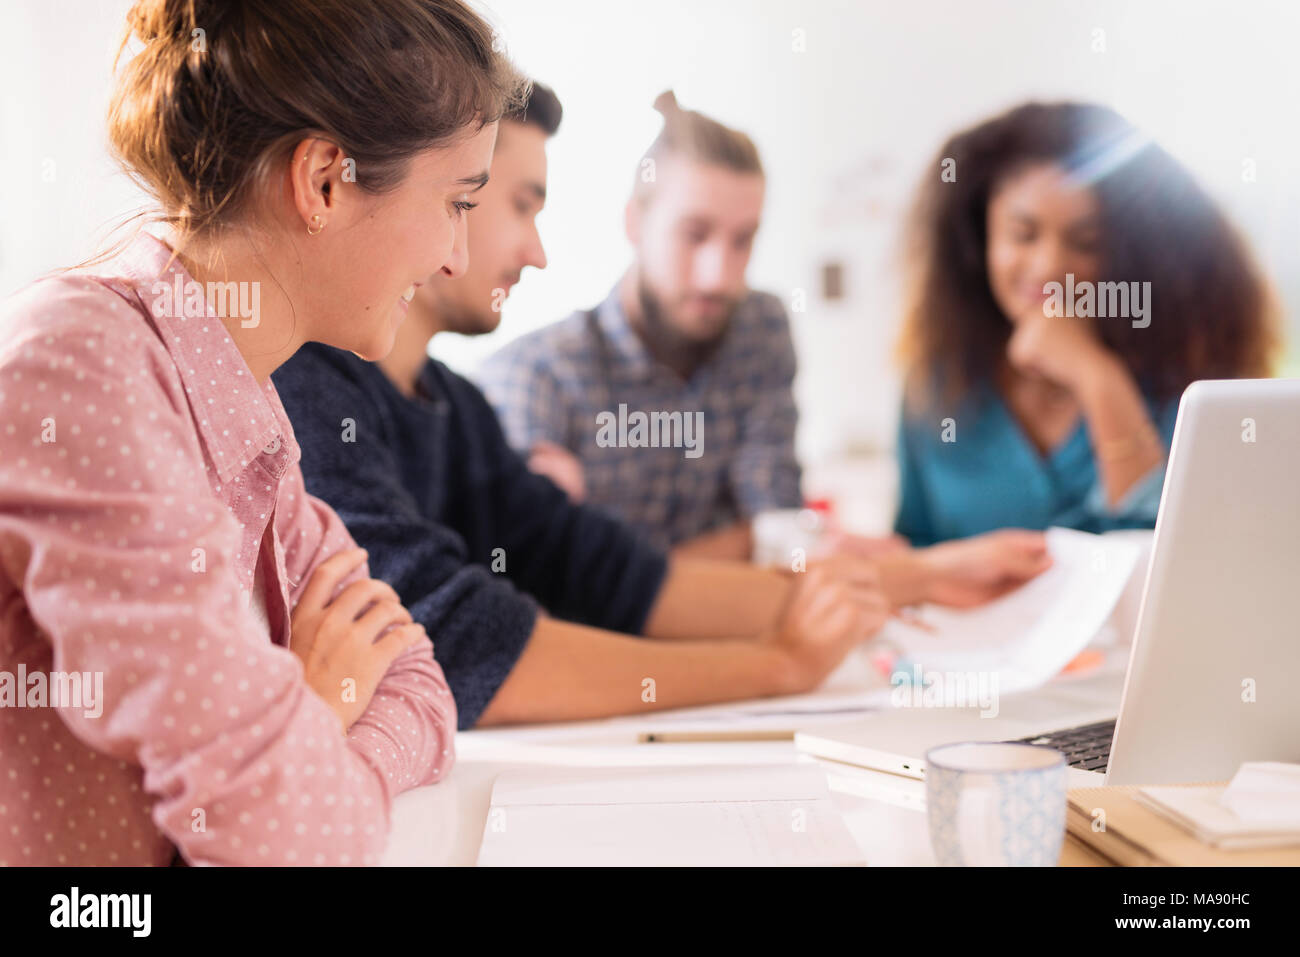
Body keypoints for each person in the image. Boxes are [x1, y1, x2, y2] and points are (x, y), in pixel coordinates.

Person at [275, 83, 1054, 730]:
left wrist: (915, 577)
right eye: (493, 199)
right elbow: (463, 645)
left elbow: (613, 571)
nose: (538, 250)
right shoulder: (309, 386)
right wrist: (774, 664)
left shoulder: (459, 408)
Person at [0, 0, 522, 866]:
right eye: (456, 203)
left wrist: (312, 733)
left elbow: (419, 685)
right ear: (324, 179)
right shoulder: (83, 364)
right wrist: (316, 710)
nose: (455, 259)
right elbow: (289, 833)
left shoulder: (241, 402)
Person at [892, 101, 1279, 546]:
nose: (1050, 267)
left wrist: (1096, 377)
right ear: (980, 243)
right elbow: (913, 541)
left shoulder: (1190, 383)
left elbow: (1181, 555)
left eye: (1086, 242)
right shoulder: (937, 385)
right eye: (1023, 235)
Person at [477, 91, 810, 560]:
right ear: (635, 222)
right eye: (693, 235)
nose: (718, 275)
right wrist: (742, 543)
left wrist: (764, 538)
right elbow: (539, 582)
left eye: (743, 239)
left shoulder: (760, 329)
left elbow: (778, 530)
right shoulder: (535, 373)